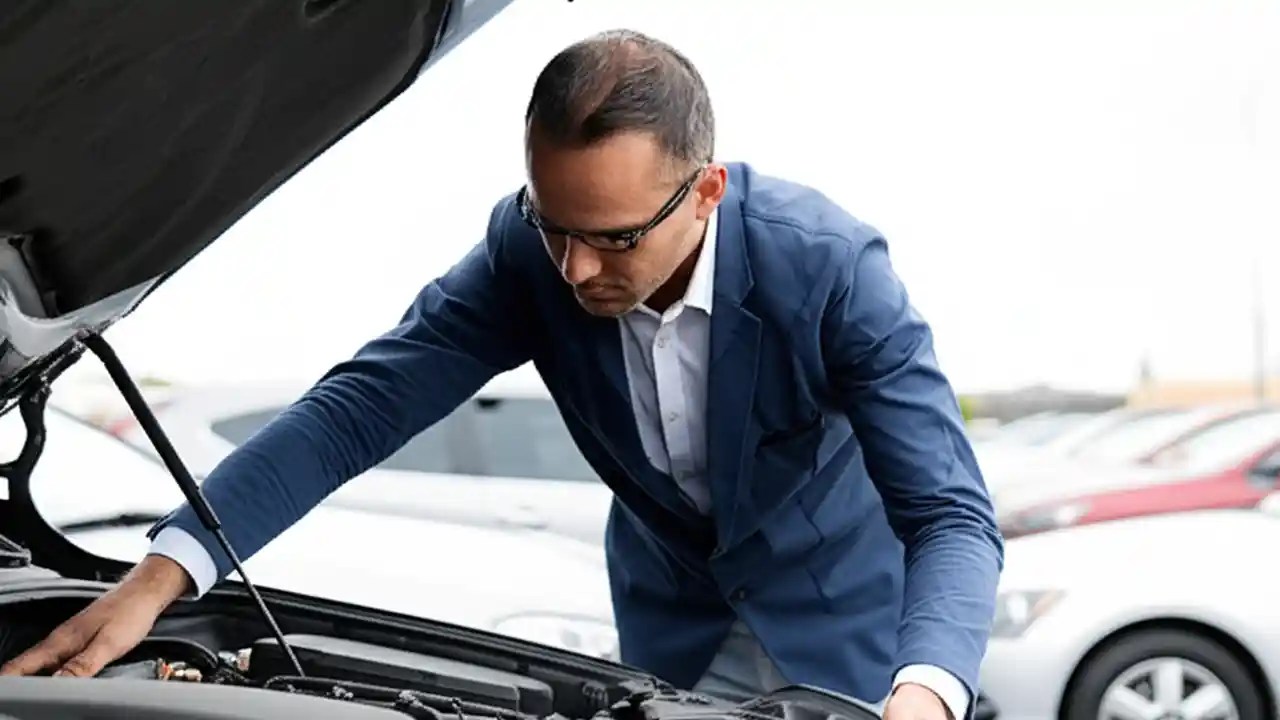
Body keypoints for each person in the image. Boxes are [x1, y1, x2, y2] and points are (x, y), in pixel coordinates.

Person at [1, 29, 1002, 720]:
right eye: (552, 226)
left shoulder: (829, 271)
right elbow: (356, 413)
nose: (573, 271)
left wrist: (920, 693)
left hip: (842, 630)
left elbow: (949, 516)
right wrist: (158, 581)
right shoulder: (527, 257)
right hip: (668, 631)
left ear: (704, 191)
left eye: (610, 239)